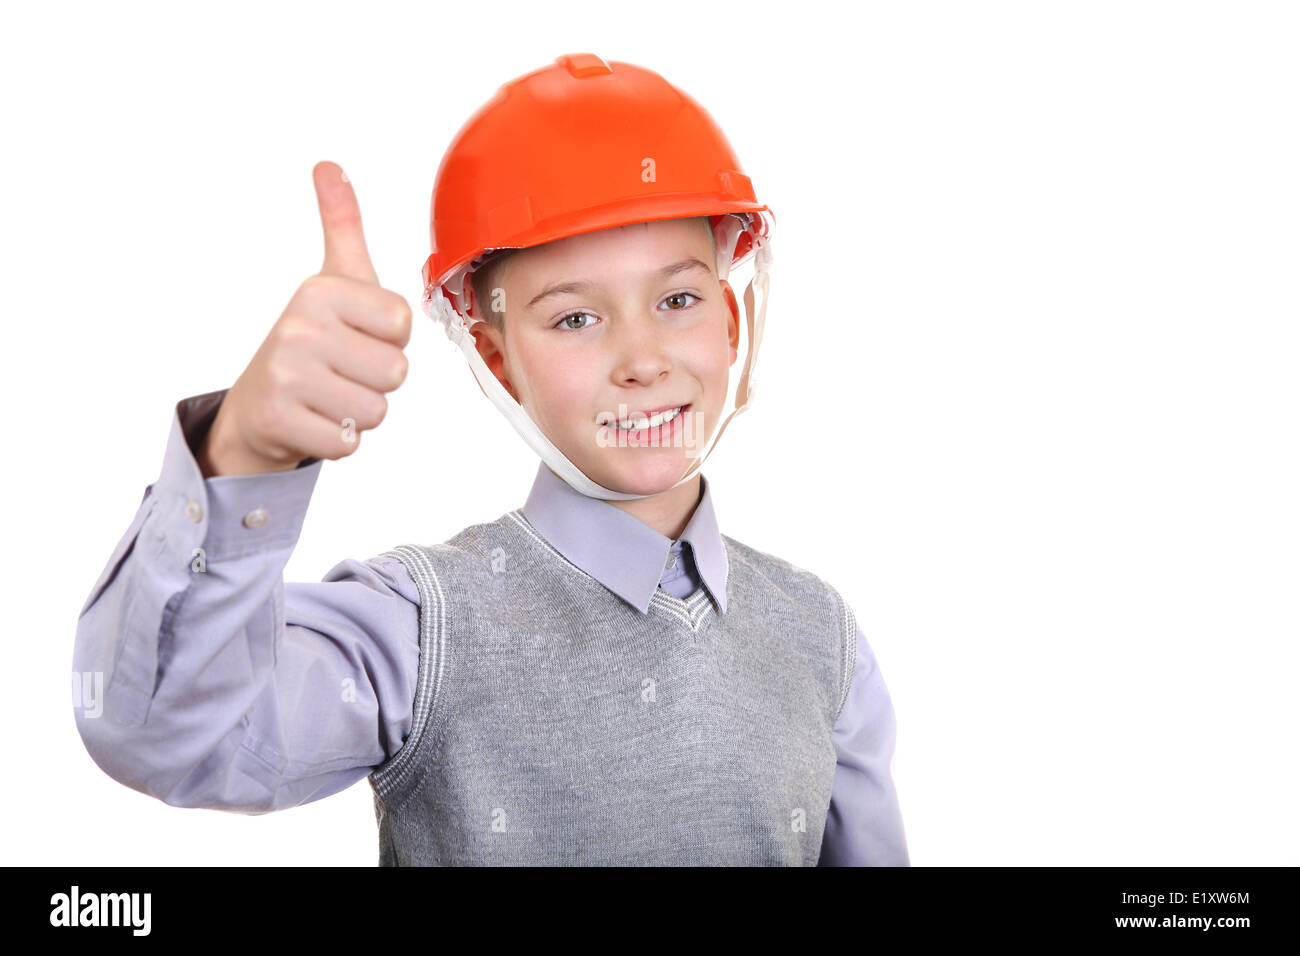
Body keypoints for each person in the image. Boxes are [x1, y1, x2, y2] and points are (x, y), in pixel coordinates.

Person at [73, 52, 909, 865]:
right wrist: (244, 456)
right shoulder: (418, 630)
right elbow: (166, 735)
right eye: (575, 319)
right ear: (498, 357)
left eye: (679, 299)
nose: (644, 359)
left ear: (730, 321)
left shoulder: (821, 639)